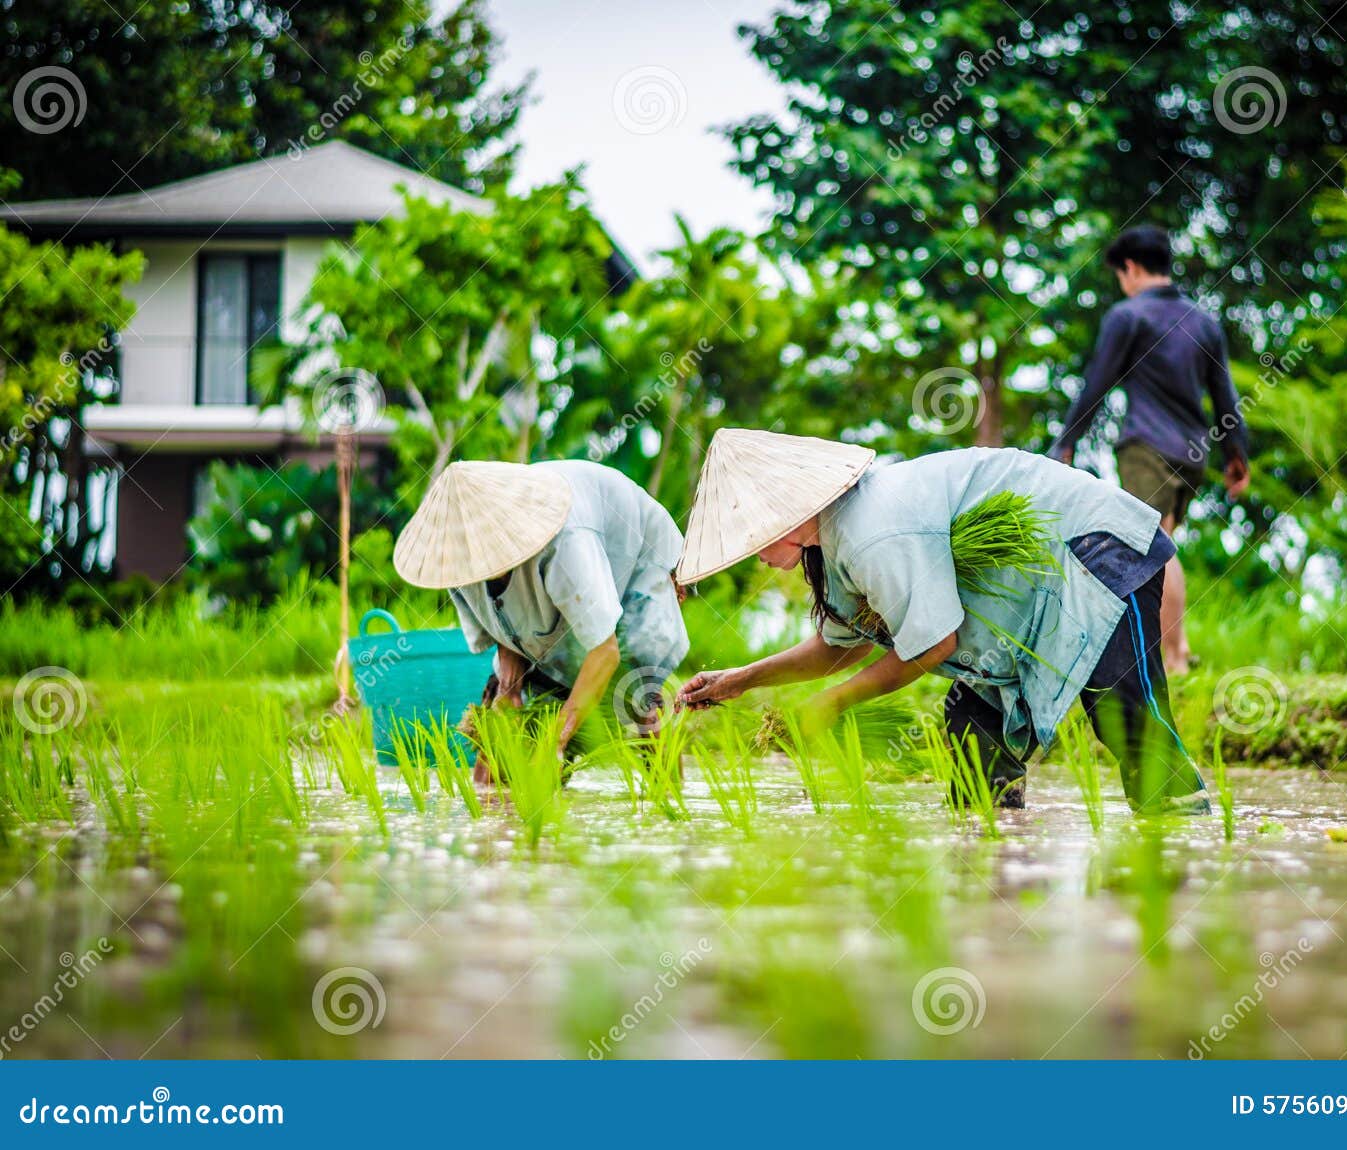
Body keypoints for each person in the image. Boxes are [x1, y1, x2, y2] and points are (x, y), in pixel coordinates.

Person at [675, 428, 1209, 814]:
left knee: (1127, 720)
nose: (755, 556)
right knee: (975, 759)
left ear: (785, 519)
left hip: (1094, 550)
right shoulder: (834, 542)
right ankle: (998, 904)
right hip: (1012, 613)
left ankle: (1185, 872)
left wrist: (832, 703)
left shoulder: (870, 531)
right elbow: (841, 646)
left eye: (752, 542)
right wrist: (740, 680)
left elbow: (933, 646)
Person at [393, 459, 688, 777]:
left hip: (636, 553)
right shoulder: (454, 563)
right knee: (501, 722)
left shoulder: (566, 543)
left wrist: (556, 740)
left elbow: (605, 651)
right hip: (567, 582)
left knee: (641, 695)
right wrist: (510, 689)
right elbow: (502, 627)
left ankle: (668, 802)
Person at [1049, 225, 1250, 674]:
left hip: (1148, 445)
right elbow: (1225, 396)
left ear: (1132, 268)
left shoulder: (1127, 316)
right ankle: (1176, 650)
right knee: (1163, 537)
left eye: (1120, 276)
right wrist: (1237, 455)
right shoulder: (1203, 320)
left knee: (1154, 546)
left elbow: (1096, 385)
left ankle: (1174, 654)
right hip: (1193, 451)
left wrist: (1065, 443)